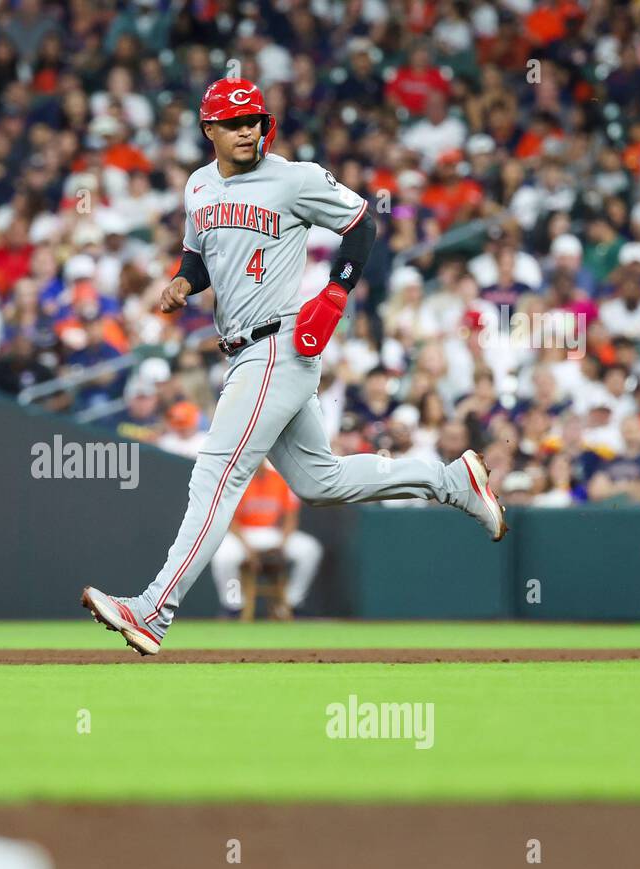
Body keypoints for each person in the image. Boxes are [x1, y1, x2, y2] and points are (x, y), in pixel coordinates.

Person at [81, 79, 506, 656]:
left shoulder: (294, 178)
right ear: (209, 130)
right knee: (319, 481)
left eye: (254, 119)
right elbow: (200, 255)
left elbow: (362, 224)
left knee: (215, 475)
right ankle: (449, 481)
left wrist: (336, 292)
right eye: (234, 122)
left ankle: (154, 610)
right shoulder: (198, 186)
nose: (248, 129)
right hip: (241, 352)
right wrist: (184, 280)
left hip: (278, 345)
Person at [210, 462, 324, 617]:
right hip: (243, 534)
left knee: (310, 549)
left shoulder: (280, 479)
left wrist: (282, 545)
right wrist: (247, 548)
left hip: (272, 534)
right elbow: (230, 520)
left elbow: (290, 518)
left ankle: (291, 603)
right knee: (223, 557)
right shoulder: (235, 482)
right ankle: (233, 604)